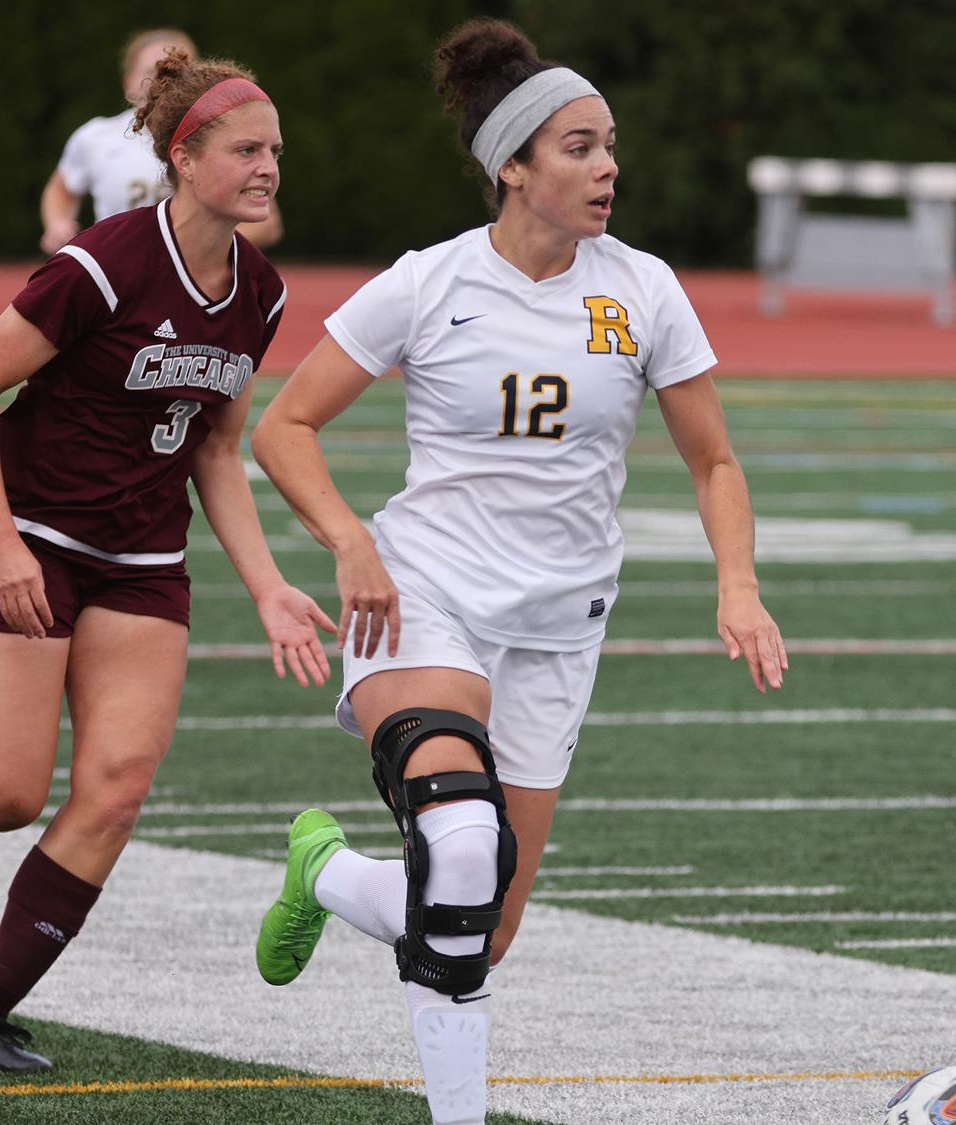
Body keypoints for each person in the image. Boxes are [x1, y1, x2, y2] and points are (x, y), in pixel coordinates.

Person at [248, 19, 786, 1124]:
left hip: (556, 625)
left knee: (481, 923)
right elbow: (284, 426)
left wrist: (737, 582)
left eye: (609, 145)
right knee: (458, 835)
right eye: (580, 147)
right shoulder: (426, 282)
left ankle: (326, 875)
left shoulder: (641, 290)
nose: (607, 168)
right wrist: (351, 540)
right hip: (423, 598)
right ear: (513, 165)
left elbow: (713, 459)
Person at [0, 48, 330, 1072]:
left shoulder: (264, 293)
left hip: (144, 561)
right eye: (246, 150)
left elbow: (215, 449)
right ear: (183, 157)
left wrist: (271, 587)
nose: (268, 168)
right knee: (5, 796)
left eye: (275, 151)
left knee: (113, 789)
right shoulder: (104, 262)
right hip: (35, 539)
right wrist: (6, 541)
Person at [39, 28, 283, 256]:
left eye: (176, 73)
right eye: (150, 72)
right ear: (128, 81)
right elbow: (61, 189)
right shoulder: (95, 136)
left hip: (193, 278)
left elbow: (267, 224)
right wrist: (57, 224)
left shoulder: (218, 137)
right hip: (115, 273)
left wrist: (196, 248)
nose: (163, 82)